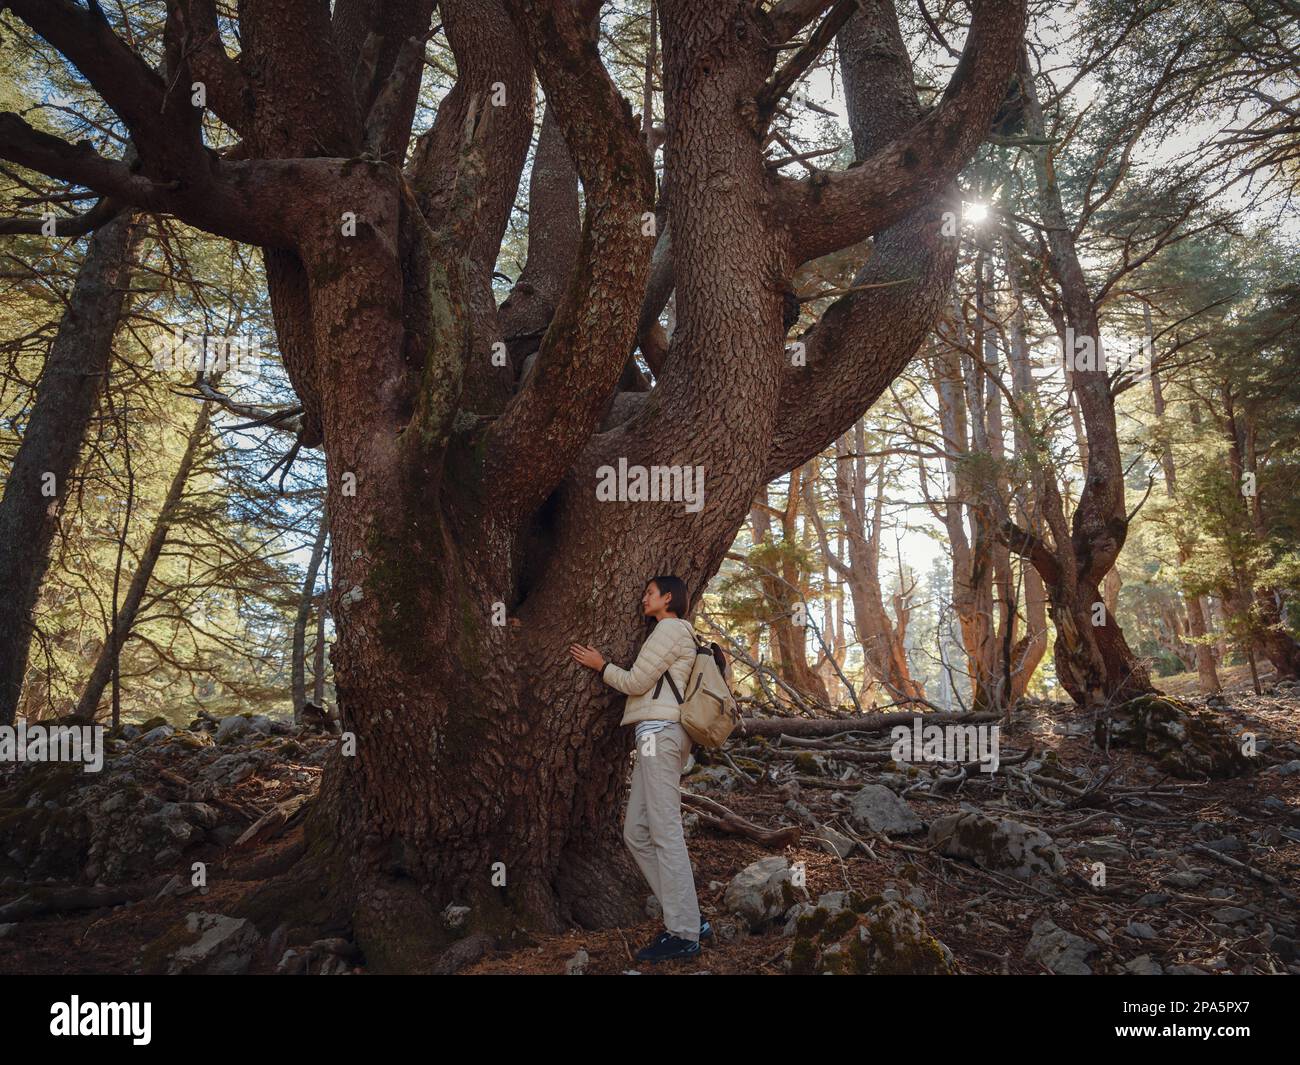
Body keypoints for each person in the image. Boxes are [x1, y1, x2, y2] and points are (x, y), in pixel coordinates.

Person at [568, 575, 710, 963]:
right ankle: (690, 917)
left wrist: (601, 665)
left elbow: (635, 681)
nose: (643, 598)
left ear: (668, 598)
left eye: (649, 592)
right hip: (658, 734)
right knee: (636, 832)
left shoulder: (670, 628)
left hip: (661, 733)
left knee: (665, 830)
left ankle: (683, 933)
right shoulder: (677, 632)